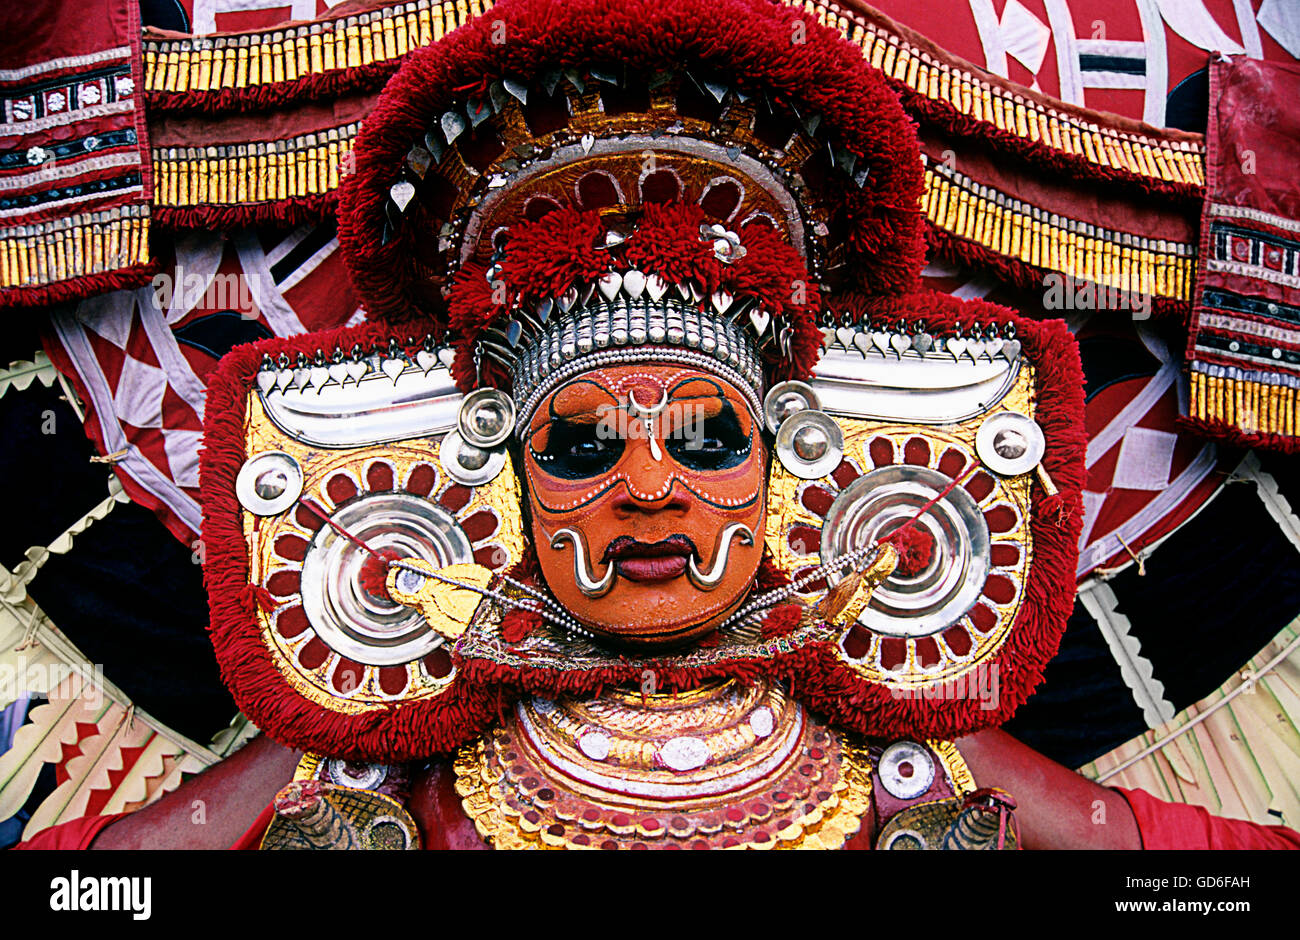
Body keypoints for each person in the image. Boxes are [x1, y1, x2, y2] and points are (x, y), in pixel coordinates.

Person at [16, 0, 1299, 851]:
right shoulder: (380, 786)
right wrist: (309, 755)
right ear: (501, 472)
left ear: (792, 458)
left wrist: (970, 756)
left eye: (701, 441)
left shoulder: (930, 772)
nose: (647, 491)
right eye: (579, 446)